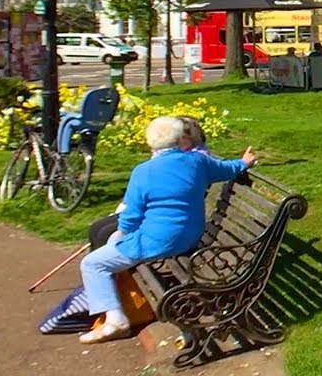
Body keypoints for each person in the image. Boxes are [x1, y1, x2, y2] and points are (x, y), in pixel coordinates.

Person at [77, 117, 255, 345]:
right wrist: (244, 162)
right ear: (180, 138)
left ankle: (116, 320)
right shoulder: (197, 162)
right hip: (190, 236)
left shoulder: (143, 171)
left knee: (93, 263)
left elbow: (131, 216)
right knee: (110, 248)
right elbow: (227, 168)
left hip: (158, 241)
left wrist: (121, 235)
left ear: (151, 143)